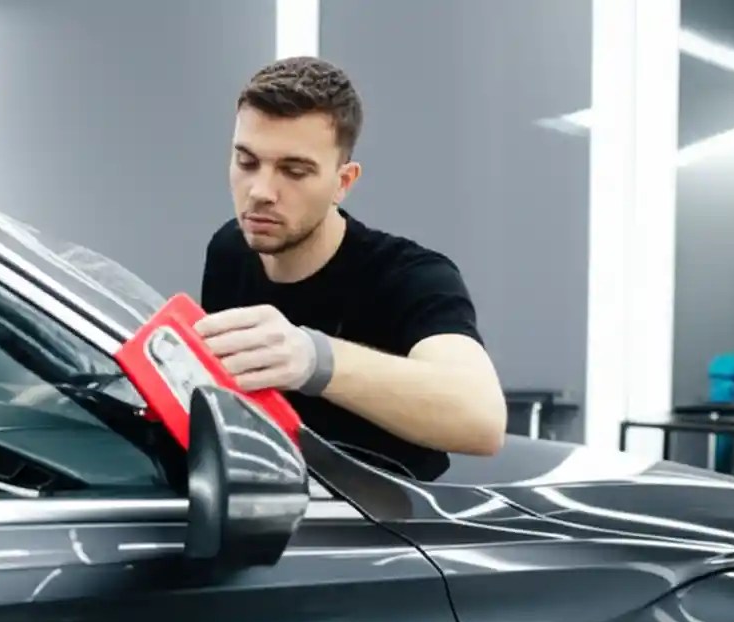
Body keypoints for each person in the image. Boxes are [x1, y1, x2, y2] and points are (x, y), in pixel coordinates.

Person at [196, 56, 506, 482]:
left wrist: (314, 360)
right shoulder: (230, 250)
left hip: (386, 534)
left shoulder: (410, 276)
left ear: (343, 182)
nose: (261, 192)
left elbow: (482, 419)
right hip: (265, 515)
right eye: (247, 163)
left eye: (294, 170)